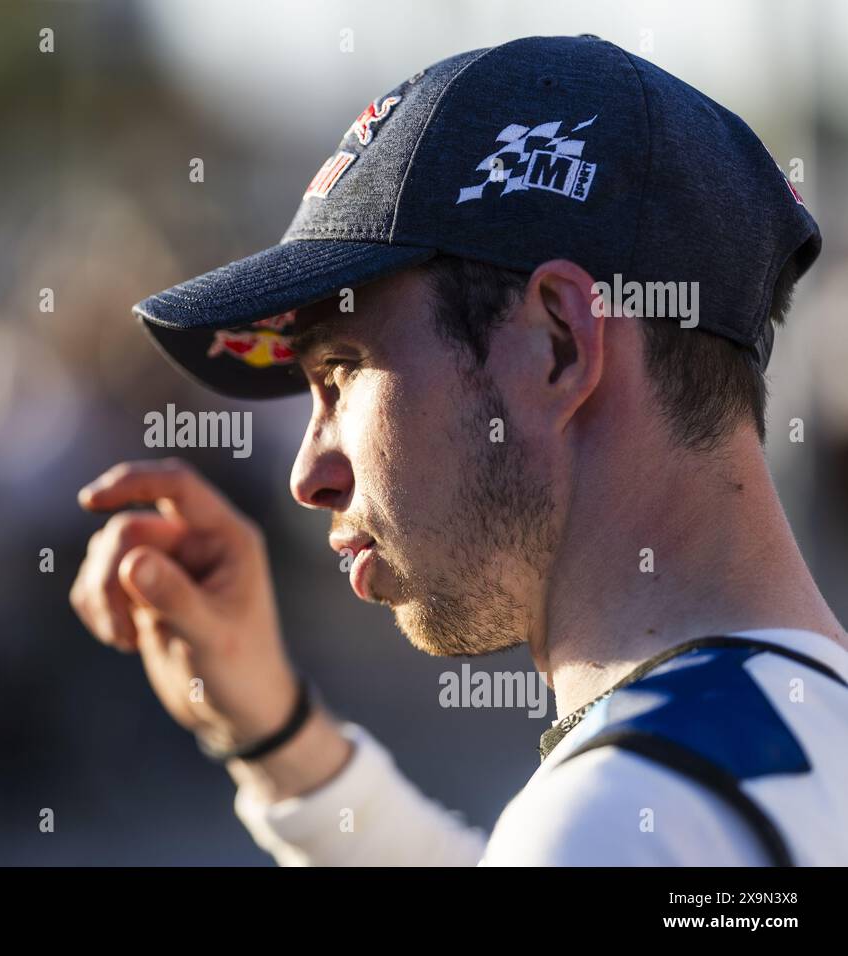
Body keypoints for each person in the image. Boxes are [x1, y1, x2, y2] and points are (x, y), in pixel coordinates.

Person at [70, 35, 848, 865]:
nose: (308, 475)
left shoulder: (618, 820)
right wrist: (278, 736)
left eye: (341, 370)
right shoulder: (776, 743)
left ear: (556, 345)